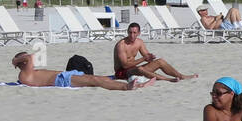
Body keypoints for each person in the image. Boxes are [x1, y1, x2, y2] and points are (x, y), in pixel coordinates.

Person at [11, 52, 146, 90]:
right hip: (62, 79)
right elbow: (29, 57)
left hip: (65, 76)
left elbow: (29, 58)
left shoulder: (29, 73)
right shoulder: (24, 75)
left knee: (98, 78)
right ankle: (126, 87)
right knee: (95, 80)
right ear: (22, 62)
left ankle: (137, 83)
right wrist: (15, 60)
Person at [114, 22, 195, 82]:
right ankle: (167, 79)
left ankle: (181, 76)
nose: (132, 35)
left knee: (160, 61)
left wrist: (150, 58)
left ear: (139, 33)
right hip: (122, 72)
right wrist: (143, 58)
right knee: (140, 68)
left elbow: (147, 56)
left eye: (134, 33)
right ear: (127, 32)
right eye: (130, 32)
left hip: (134, 69)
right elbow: (125, 65)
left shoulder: (139, 42)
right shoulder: (121, 45)